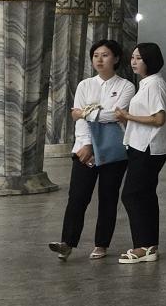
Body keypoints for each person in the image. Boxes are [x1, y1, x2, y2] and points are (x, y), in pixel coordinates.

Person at [49, 40, 133, 261]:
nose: (99, 59)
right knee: (77, 197)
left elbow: (116, 115)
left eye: (105, 55)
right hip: (85, 150)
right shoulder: (85, 85)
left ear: (115, 58)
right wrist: (86, 143)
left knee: (108, 197)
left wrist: (86, 112)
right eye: (95, 55)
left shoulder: (126, 86)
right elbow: (80, 121)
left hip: (113, 152)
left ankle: (101, 244)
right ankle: (67, 242)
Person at [113, 41, 166, 263]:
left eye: (139, 58)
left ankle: (142, 246)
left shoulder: (154, 85)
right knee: (145, 195)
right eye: (133, 57)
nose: (134, 61)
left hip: (148, 147)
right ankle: (150, 245)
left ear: (150, 61)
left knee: (132, 195)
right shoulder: (149, 83)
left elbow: (159, 118)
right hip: (144, 146)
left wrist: (127, 116)